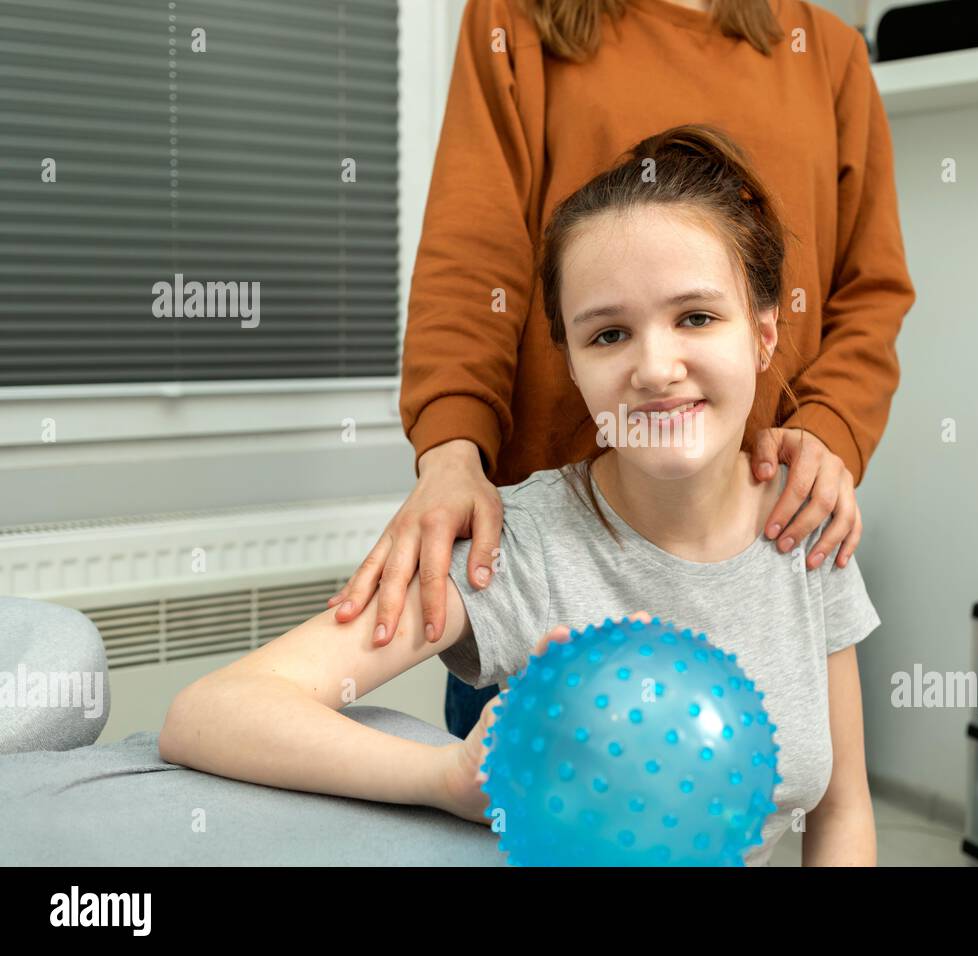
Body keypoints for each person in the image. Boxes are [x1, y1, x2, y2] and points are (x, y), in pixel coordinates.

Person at [160, 125, 881, 865]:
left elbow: (842, 811)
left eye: (695, 317)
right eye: (609, 334)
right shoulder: (520, 547)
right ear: (569, 363)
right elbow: (210, 713)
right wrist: (441, 778)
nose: (656, 368)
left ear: (763, 336)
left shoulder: (808, 526)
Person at [325, 0, 917, 741]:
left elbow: (872, 289)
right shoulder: (518, 20)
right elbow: (472, 257)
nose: (659, 363)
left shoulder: (826, 52)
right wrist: (450, 451)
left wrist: (829, 431)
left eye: (696, 318)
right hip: (559, 567)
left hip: (755, 549)